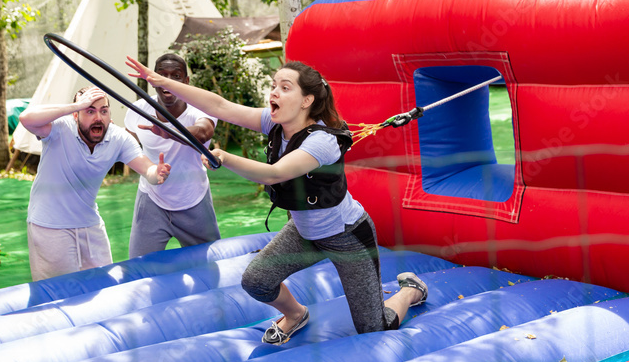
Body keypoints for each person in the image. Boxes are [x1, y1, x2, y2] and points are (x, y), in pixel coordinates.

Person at [126, 57, 429, 344]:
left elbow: (275, 174)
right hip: (305, 233)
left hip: (346, 236)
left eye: (285, 88)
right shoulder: (274, 123)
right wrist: (159, 80)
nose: (274, 92)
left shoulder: (322, 141)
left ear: (307, 100)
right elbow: (220, 106)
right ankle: (296, 314)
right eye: (273, 85)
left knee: (375, 326)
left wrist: (225, 157)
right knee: (256, 281)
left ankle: (409, 292)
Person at [19, 86, 171, 280]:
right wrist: (76, 105)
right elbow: (26, 118)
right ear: (76, 115)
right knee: (58, 293)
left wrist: (156, 173)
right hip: (50, 225)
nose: (98, 117)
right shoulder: (60, 128)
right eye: (90, 111)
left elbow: (146, 168)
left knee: (104, 287)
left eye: (103, 111)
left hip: (89, 224)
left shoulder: (118, 138)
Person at [124, 54, 220, 258]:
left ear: (186, 82)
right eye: (162, 75)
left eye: (176, 76)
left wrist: (169, 132)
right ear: (152, 80)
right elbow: (129, 144)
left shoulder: (201, 107)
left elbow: (203, 132)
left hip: (194, 200)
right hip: (151, 200)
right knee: (140, 269)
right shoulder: (138, 110)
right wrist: (149, 168)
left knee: (211, 265)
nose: (168, 81)